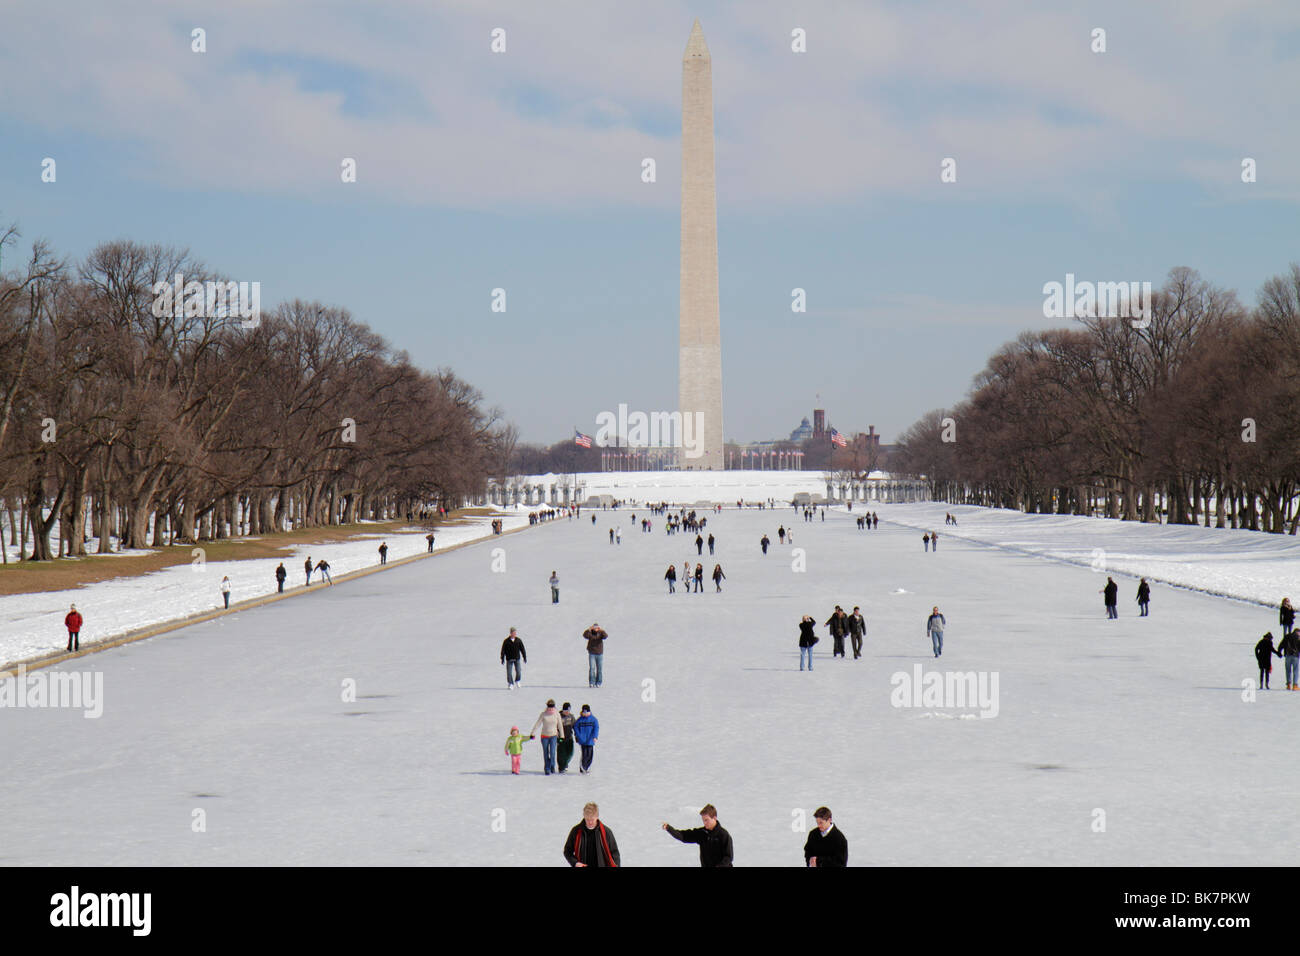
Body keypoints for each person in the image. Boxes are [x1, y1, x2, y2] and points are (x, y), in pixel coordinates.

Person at [662, 805, 734, 867]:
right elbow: (683, 836)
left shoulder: (723, 835)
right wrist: (669, 828)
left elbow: (728, 857)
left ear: (714, 818)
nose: (704, 823)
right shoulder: (702, 833)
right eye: (703, 820)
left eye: (706, 820)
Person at [564, 802, 620, 867]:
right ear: (584, 816)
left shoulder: (606, 832)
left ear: (597, 817)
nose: (590, 822)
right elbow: (567, 851)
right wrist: (575, 863)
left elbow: (615, 853)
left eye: (592, 819)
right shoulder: (576, 831)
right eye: (587, 819)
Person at [529, 699, 565, 775]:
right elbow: (537, 724)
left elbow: (560, 725)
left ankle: (552, 765)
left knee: (552, 752)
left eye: (552, 706)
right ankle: (547, 768)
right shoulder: (543, 714)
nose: (551, 708)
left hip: (553, 736)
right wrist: (532, 733)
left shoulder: (557, 714)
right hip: (544, 736)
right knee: (546, 753)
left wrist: (562, 736)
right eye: (549, 706)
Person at [573, 704, 599, 773]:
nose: (585, 714)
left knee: (590, 755)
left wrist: (595, 736)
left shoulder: (594, 720)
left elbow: (596, 728)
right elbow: (575, 727)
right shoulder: (580, 720)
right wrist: (579, 736)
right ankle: (583, 768)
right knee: (584, 754)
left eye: (587, 712)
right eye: (584, 712)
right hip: (583, 740)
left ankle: (587, 767)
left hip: (590, 741)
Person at [584, 622, 608, 688]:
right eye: (594, 627)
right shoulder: (590, 633)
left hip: (599, 654)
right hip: (592, 653)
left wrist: (602, 630)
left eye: (597, 628)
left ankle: (599, 682)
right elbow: (585, 635)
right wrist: (589, 629)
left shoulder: (601, 633)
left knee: (599, 669)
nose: (595, 629)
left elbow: (605, 636)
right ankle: (592, 682)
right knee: (592, 668)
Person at [557, 703, 577, 773]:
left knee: (570, 752)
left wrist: (577, 735)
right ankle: (561, 767)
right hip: (561, 738)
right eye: (565, 710)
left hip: (569, 737)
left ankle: (565, 764)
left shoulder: (571, 717)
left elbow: (575, 726)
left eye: (568, 710)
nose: (567, 712)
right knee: (561, 753)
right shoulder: (558, 716)